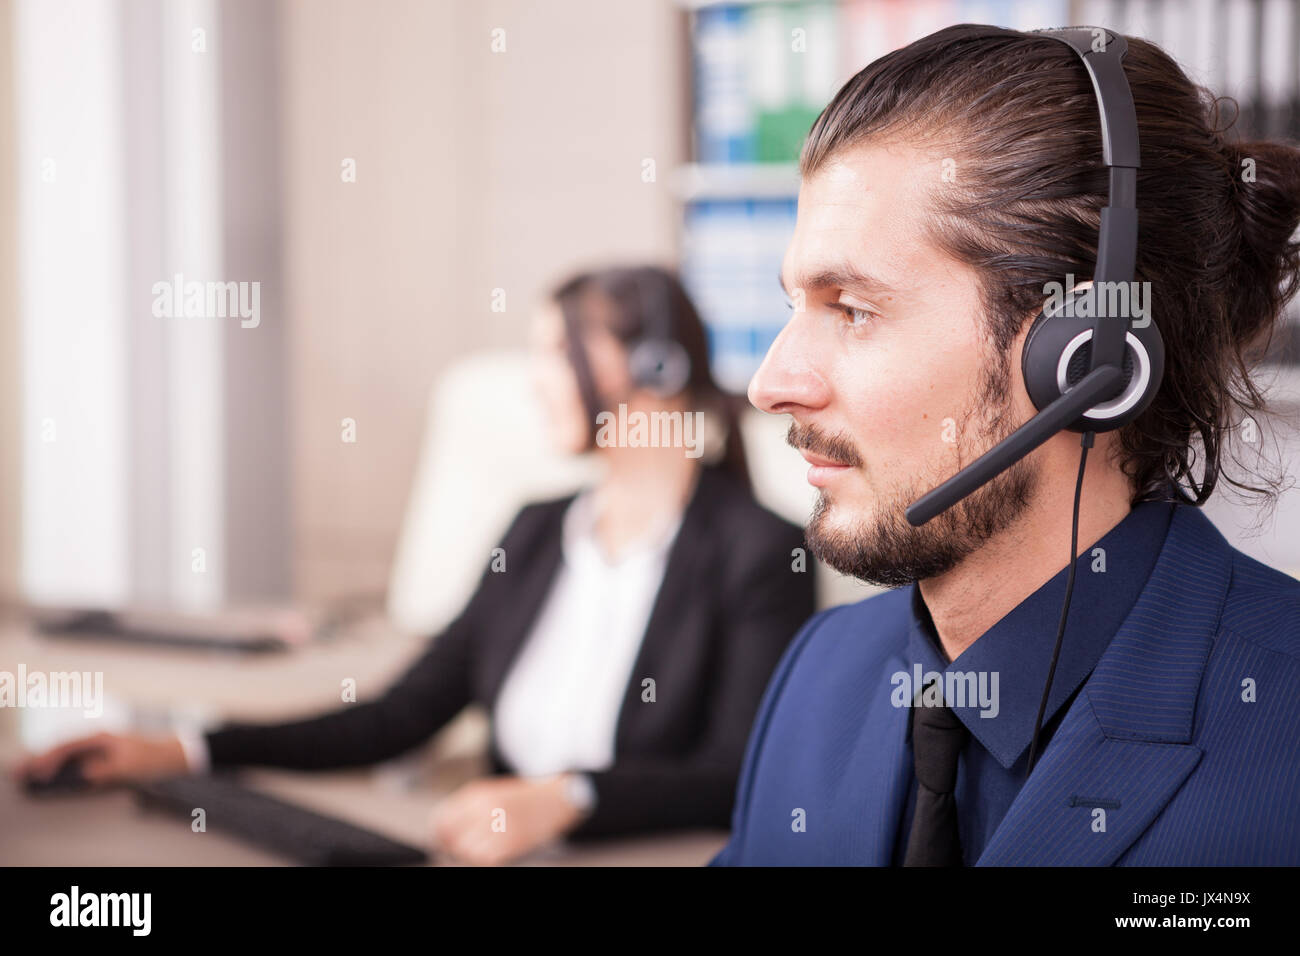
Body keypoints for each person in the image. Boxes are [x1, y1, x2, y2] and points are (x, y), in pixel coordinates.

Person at [712, 24, 1300, 866]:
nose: (771, 384)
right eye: (793, 306)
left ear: (1088, 356)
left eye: (853, 309)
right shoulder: (823, 673)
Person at [16, 265, 815, 865]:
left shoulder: (756, 550)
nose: (536, 379)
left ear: (654, 370)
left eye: (555, 349)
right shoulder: (536, 533)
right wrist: (187, 749)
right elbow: (402, 714)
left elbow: (738, 771)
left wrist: (569, 799)